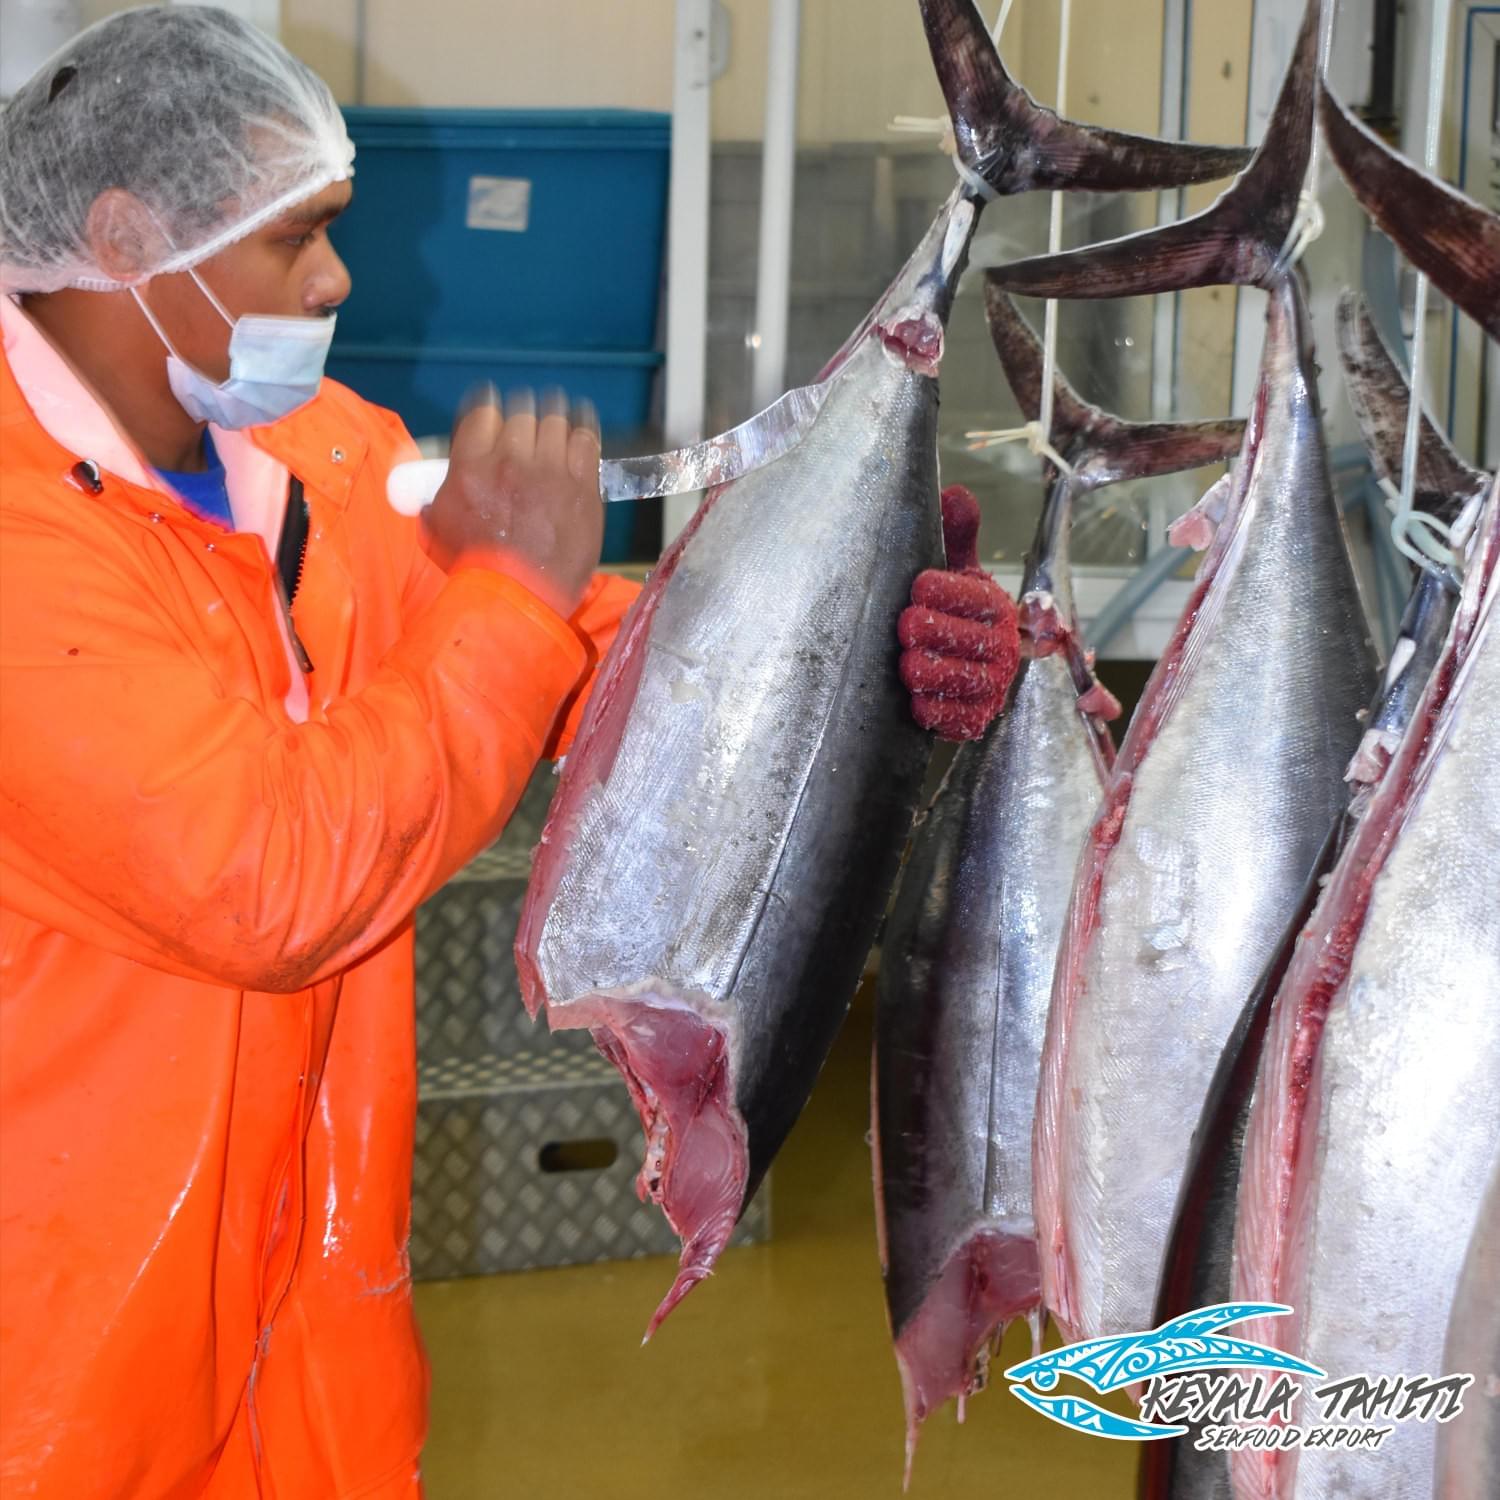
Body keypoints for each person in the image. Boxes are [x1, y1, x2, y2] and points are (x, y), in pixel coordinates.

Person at [0, 8, 1017, 1497]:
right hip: (61, 1385)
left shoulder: (314, 459)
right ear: (127, 234)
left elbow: (557, 664)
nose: (341, 279)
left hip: (305, 1372)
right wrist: (510, 596)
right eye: (301, 239)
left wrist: (849, 667)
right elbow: (270, 880)